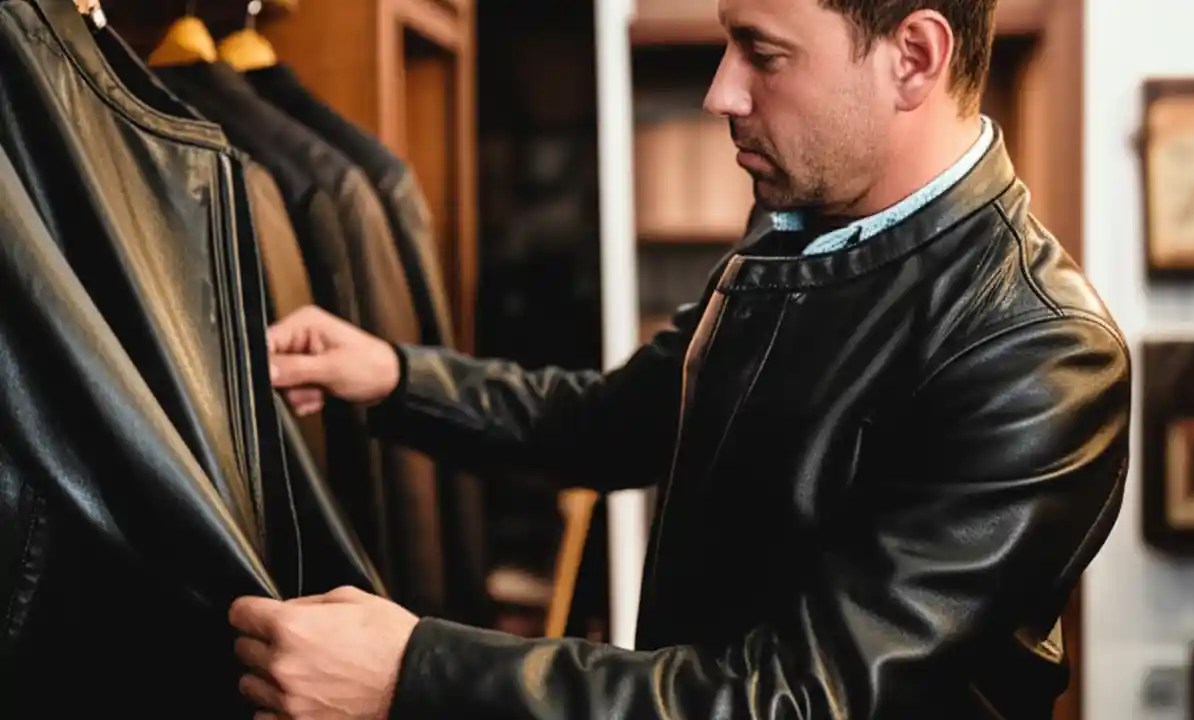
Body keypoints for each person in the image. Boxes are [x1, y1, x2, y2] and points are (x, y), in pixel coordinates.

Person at [228, 0, 1132, 717]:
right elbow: (609, 422)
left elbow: (801, 700)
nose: (721, 91)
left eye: (762, 53)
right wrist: (396, 376)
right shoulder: (795, 236)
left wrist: (419, 672)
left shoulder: (1037, 352)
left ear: (915, 57)